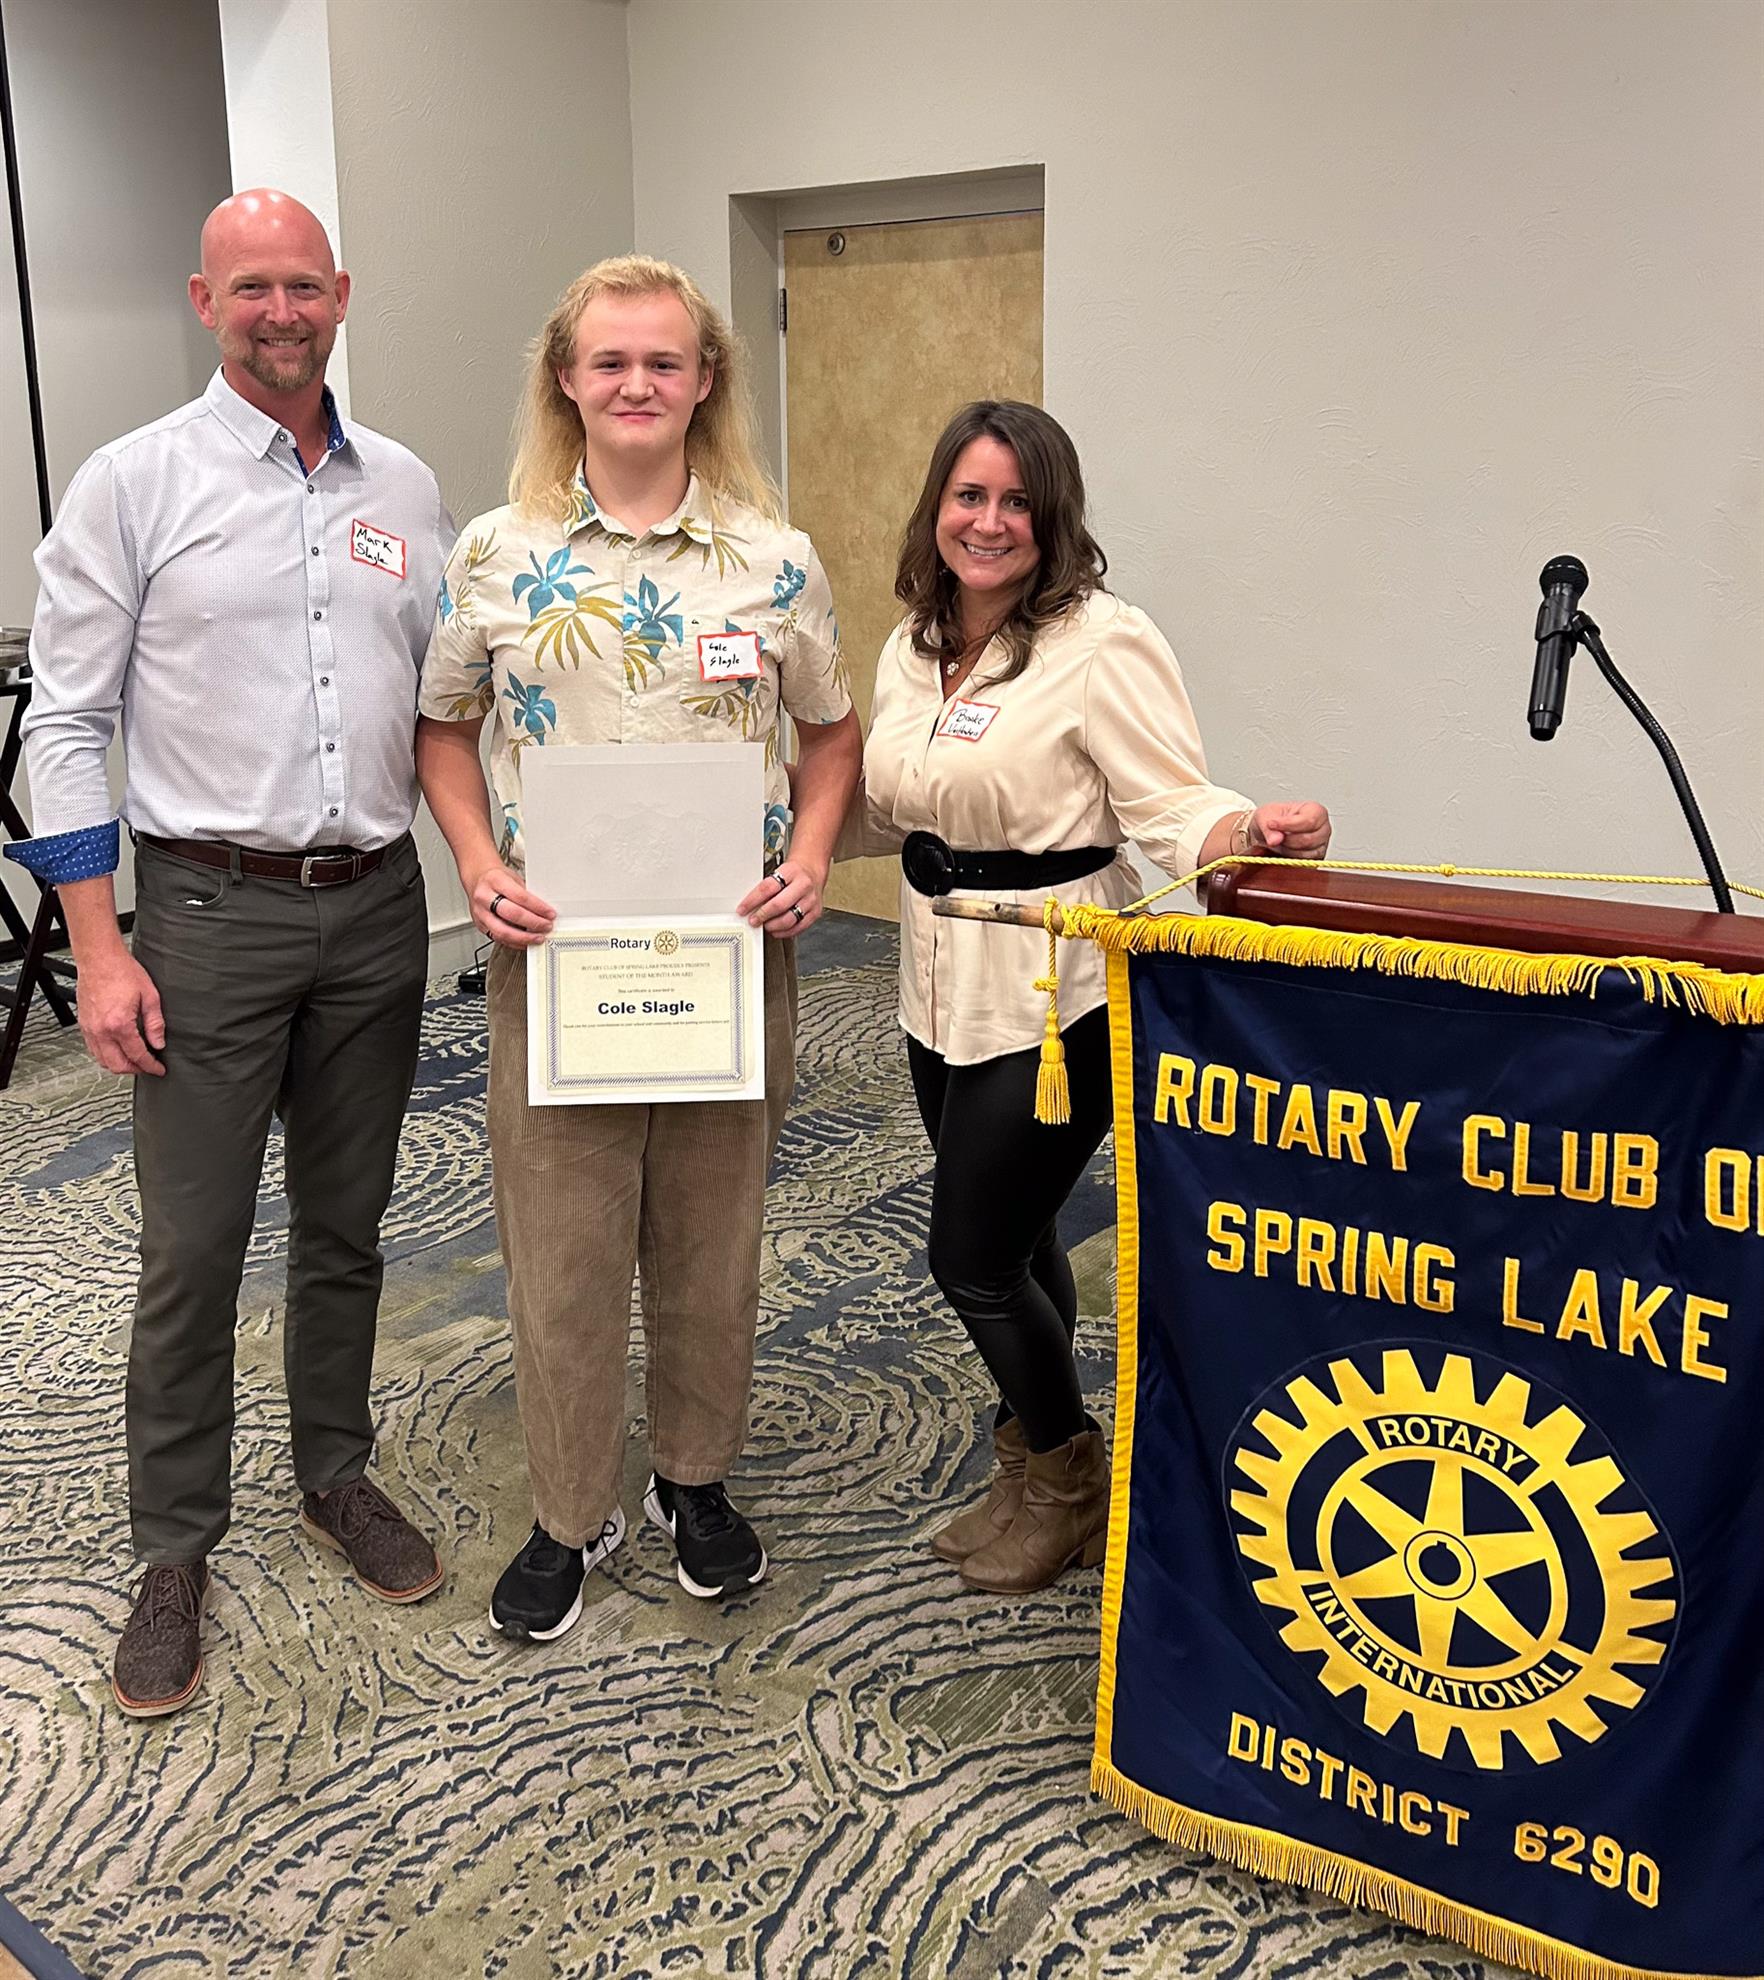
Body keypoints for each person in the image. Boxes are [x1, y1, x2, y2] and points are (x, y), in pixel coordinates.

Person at [5, 190, 455, 1716]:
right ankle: (174, 1545)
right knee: (191, 1253)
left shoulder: (406, 484)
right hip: (200, 915)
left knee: (348, 1227)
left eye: (304, 288)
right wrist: (97, 944)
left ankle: (333, 1470)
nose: (281, 313)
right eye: (249, 288)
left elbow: (452, 699)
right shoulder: (134, 482)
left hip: (379, 907)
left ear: (343, 293)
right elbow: (64, 722)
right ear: (207, 299)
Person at [417, 256, 859, 1637]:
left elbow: (832, 734)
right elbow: (439, 730)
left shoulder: (773, 561)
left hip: (729, 958)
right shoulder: (498, 555)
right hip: (555, 959)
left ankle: (695, 1479)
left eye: (663, 362)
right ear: (567, 379)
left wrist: (807, 862)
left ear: (705, 380)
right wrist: (479, 865)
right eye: (609, 362)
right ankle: (568, 1508)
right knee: (560, 1246)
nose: (636, 385)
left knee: (712, 1237)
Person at [855, 401, 1331, 1595]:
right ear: (937, 509)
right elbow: (889, 801)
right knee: (1015, 1243)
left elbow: (1173, 805)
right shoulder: (912, 646)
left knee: (966, 1258)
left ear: (1053, 517)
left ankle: (1067, 1475)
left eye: (1018, 501)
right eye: (970, 496)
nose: (991, 521)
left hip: (1055, 991)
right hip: (934, 983)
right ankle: (1026, 1454)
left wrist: (1248, 833)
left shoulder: (1101, 641)